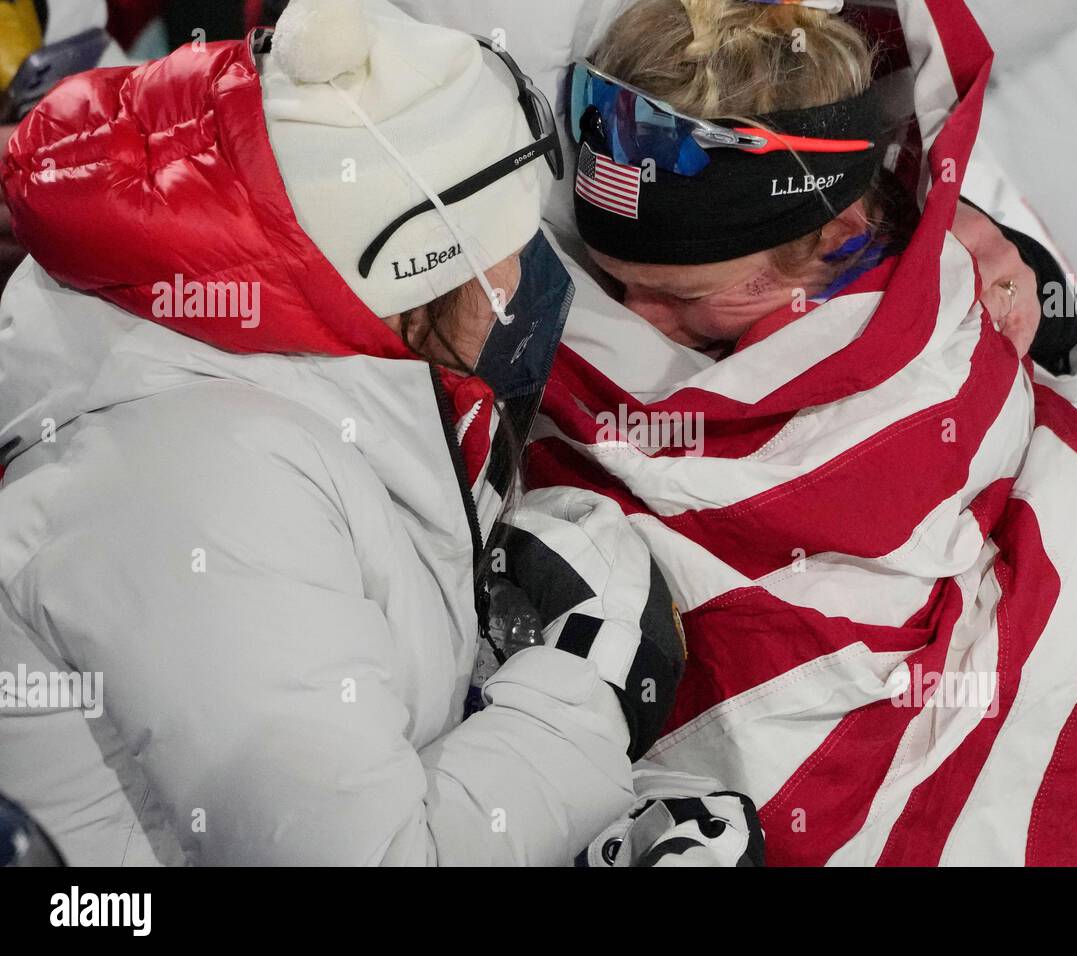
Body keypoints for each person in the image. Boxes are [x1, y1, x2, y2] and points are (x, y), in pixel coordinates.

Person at [0, 0, 728, 866]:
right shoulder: (198, 485)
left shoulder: (297, 384)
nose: (522, 274)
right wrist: (585, 681)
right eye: (505, 244)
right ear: (410, 277)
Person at [499, 0, 1077, 865]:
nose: (638, 322)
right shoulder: (583, 285)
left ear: (838, 237)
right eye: (619, 283)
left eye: (682, 298)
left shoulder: (943, 322)